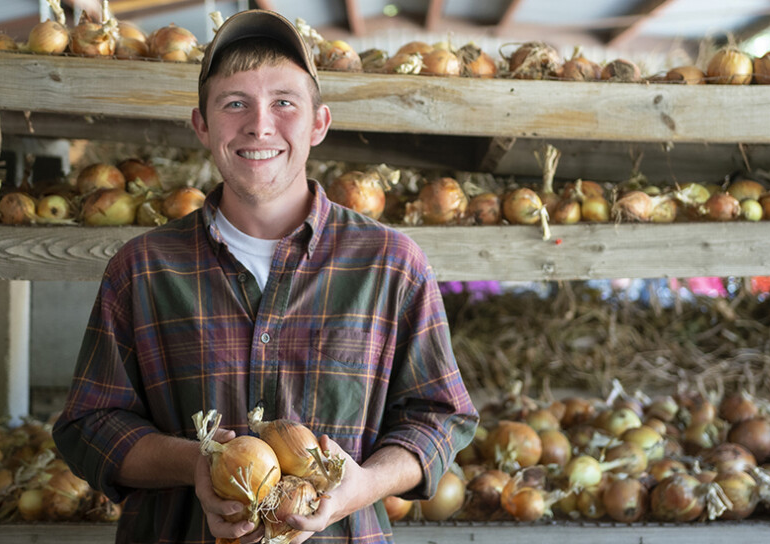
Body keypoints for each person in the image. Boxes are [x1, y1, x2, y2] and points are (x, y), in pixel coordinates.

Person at [52, 9, 477, 544]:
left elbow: (440, 418)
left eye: (284, 102)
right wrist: (198, 463)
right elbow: (89, 426)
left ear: (318, 123)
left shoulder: (392, 264)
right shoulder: (142, 269)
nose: (259, 125)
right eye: (235, 103)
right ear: (202, 125)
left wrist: (364, 485)